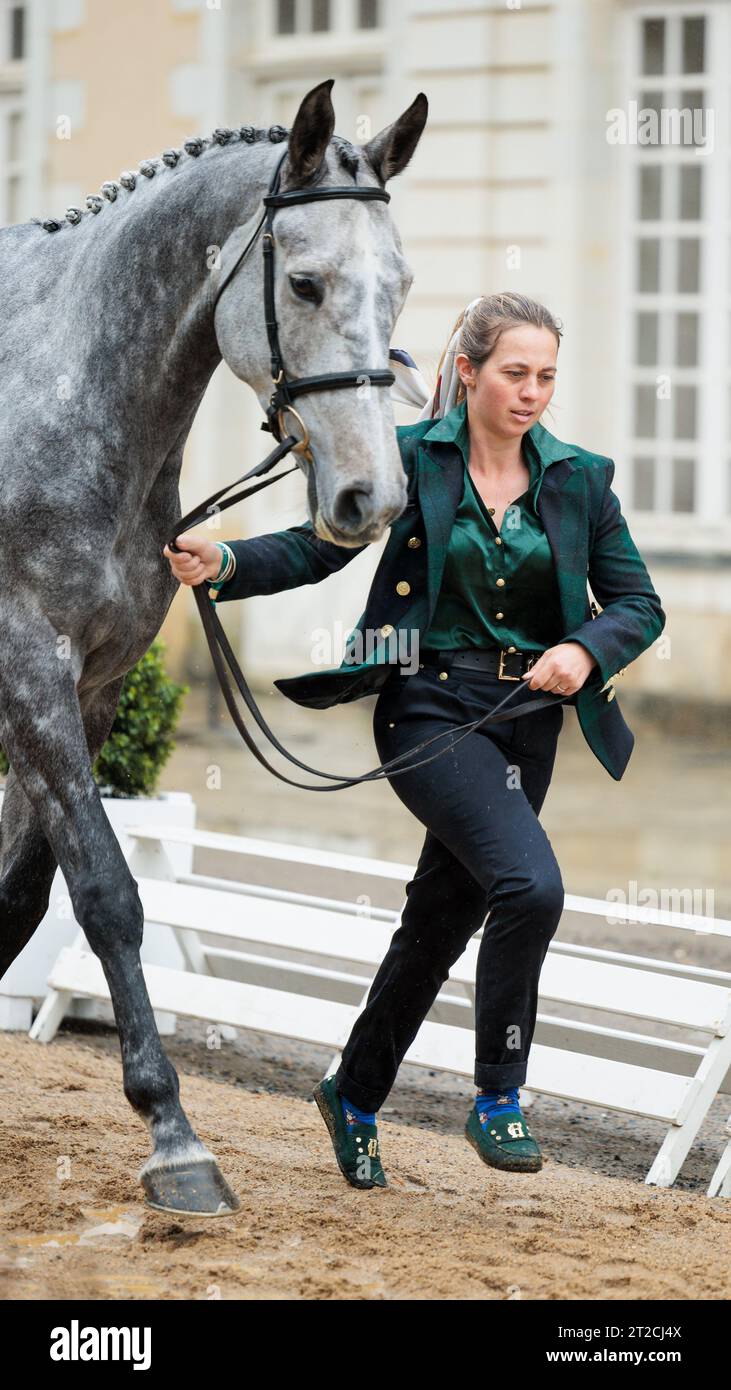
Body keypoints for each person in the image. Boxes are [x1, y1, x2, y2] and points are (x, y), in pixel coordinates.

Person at [163, 292, 665, 1190]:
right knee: (531, 886)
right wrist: (228, 561)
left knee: (439, 922)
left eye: (546, 376)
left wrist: (582, 652)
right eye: (515, 373)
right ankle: (499, 1095)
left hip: (526, 724)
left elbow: (638, 602)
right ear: (467, 372)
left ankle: (352, 1096)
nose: (532, 393)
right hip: (427, 707)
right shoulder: (407, 459)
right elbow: (321, 545)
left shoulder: (581, 478)